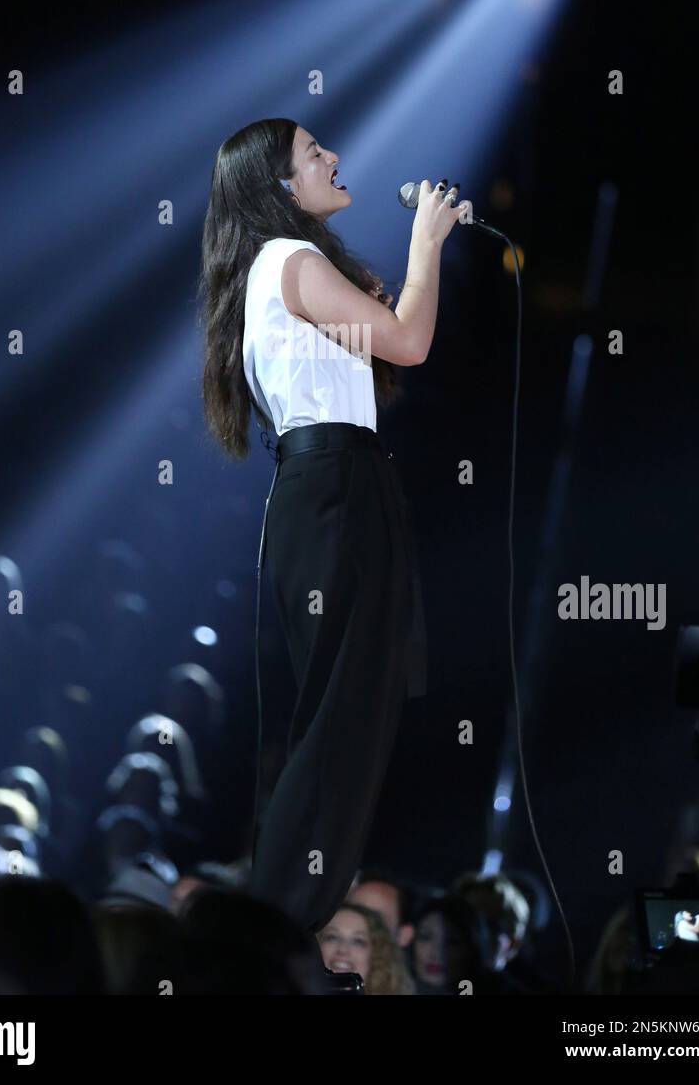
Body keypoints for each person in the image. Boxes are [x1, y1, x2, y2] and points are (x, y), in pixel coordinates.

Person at [198, 116, 468, 952]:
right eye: (315, 155)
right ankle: (270, 935)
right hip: (333, 492)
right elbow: (412, 342)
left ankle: (281, 929)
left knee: (349, 719)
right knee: (336, 724)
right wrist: (429, 241)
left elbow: (381, 341)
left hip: (340, 489)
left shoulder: (285, 266)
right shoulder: (287, 262)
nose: (333, 159)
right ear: (280, 187)